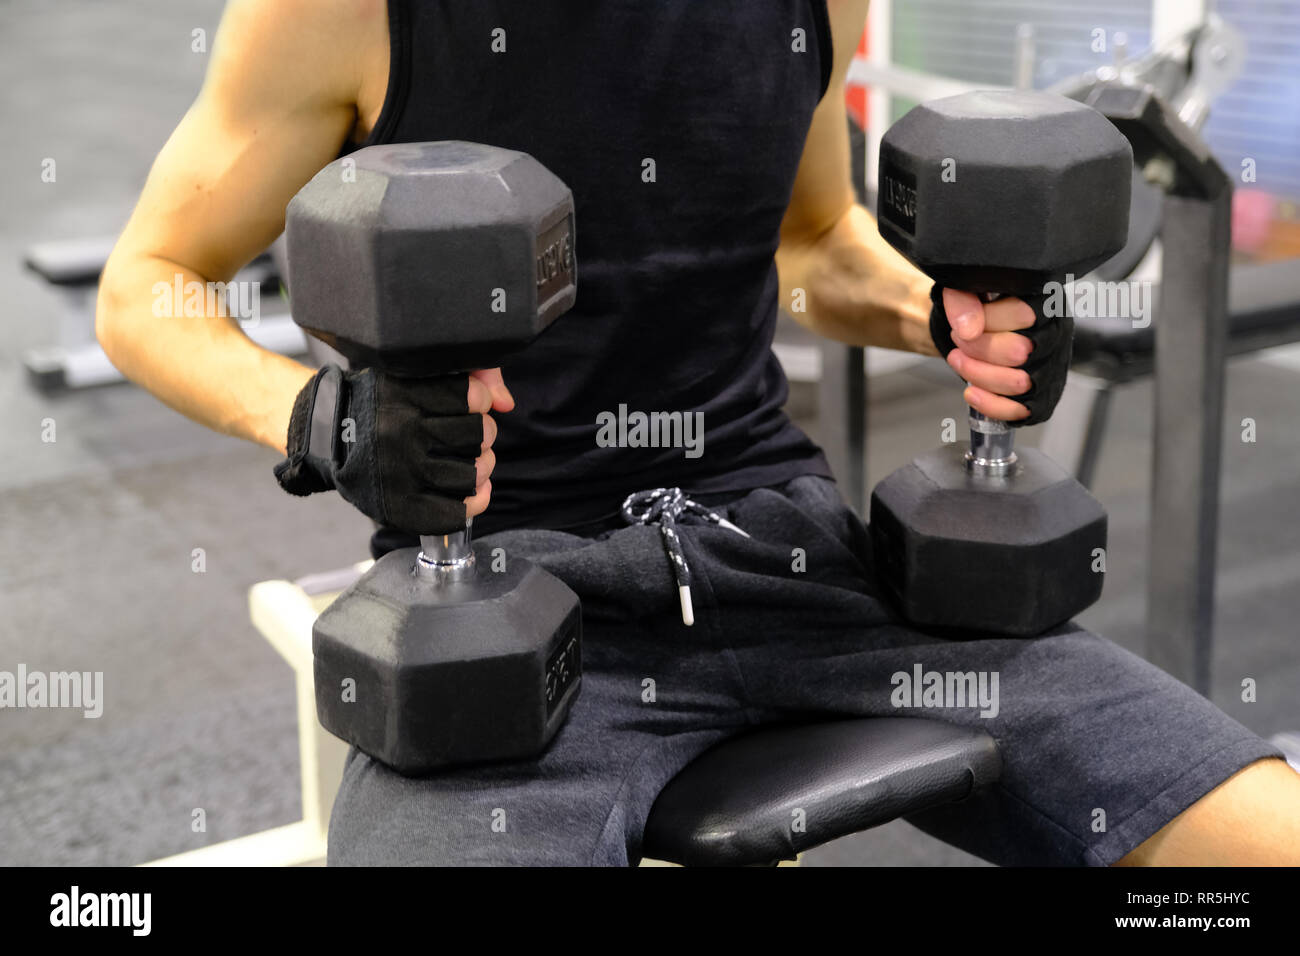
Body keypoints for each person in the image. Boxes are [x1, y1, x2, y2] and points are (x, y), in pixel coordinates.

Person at [97, 0, 1299, 866]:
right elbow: (146, 283)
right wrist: (322, 414)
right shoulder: (345, 8)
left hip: (798, 559)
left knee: (1262, 837)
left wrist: (948, 323)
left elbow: (813, 242)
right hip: (507, 604)